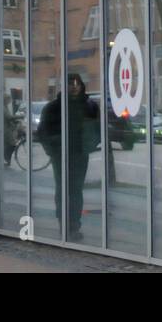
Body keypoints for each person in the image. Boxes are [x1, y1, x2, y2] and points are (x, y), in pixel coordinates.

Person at [36, 73, 100, 240]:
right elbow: (43, 132)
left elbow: (97, 129)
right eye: (71, 83)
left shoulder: (90, 106)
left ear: (81, 85)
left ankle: (74, 224)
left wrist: (90, 145)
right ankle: (64, 224)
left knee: (76, 190)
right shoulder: (53, 107)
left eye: (77, 83)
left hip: (80, 154)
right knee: (63, 189)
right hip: (61, 155)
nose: (74, 86)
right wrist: (53, 150)